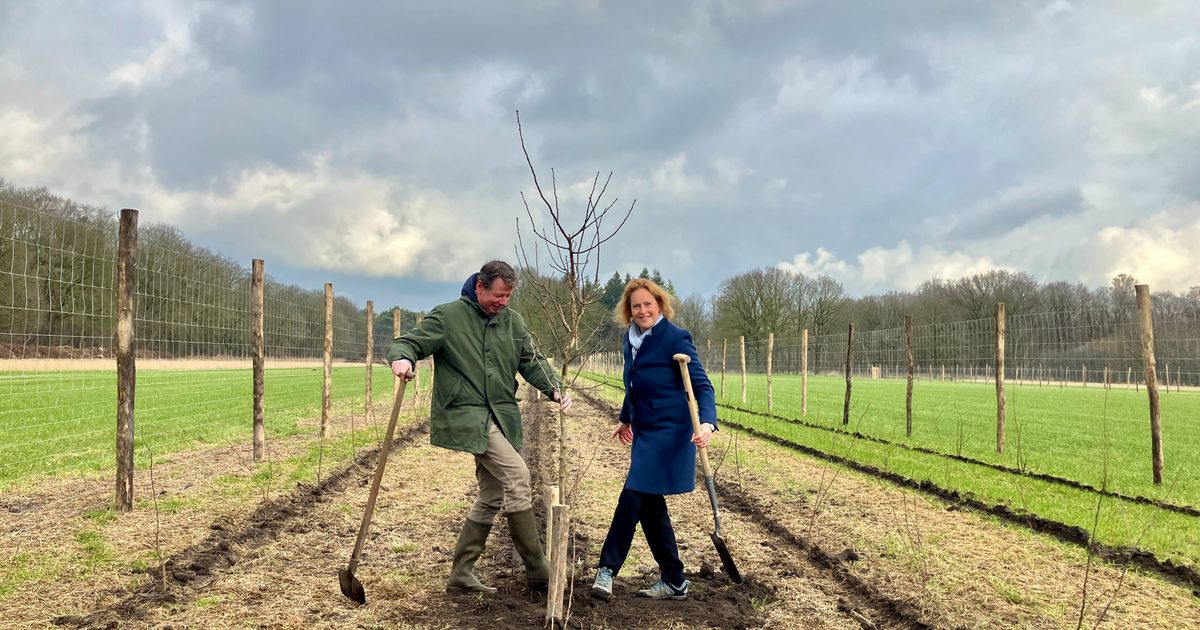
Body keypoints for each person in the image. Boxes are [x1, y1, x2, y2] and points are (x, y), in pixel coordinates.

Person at [388, 260, 572, 594]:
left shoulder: (513, 322)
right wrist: (402, 359)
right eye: (497, 295)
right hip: (468, 414)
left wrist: (554, 389)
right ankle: (537, 568)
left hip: (502, 415)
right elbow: (410, 342)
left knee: (491, 493)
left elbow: (531, 361)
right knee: (518, 476)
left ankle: (461, 573)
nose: (502, 303)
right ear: (479, 287)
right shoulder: (448, 317)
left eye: (507, 297)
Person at [590, 278, 717, 601]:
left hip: (673, 432)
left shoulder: (675, 337)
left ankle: (607, 569)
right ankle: (675, 579)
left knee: (633, 495)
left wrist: (707, 424)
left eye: (649, 304)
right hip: (645, 432)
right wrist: (624, 418)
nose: (643, 310)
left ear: (659, 305)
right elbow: (635, 385)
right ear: (628, 312)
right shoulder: (630, 339)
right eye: (636, 306)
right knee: (650, 506)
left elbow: (702, 386)